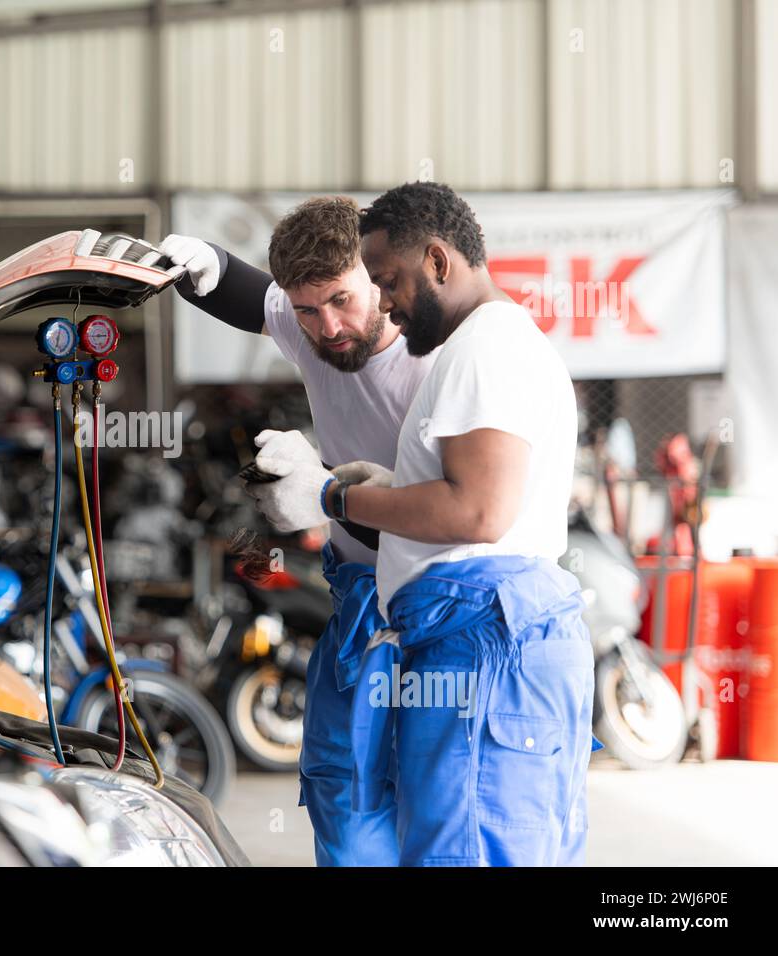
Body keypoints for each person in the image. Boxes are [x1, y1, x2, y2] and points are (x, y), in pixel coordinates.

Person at [251, 182, 593, 866]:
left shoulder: (481, 349)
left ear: (438, 262)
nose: (386, 303)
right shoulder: (496, 341)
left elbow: (477, 512)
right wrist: (393, 491)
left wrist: (331, 498)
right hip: (477, 632)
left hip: (484, 636)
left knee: (463, 851)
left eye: (388, 282)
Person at [161, 196, 437, 866]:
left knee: (437, 803)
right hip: (355, 602)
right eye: (308, 310)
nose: (329, 327)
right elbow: (256, 300)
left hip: (438, 604)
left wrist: (326, 495)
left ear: (378, 276)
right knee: (343, 792)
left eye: (342, 300)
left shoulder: (437, 365)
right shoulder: (310, 324)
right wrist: (205, 265)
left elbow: (450, 517)